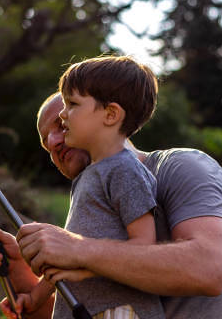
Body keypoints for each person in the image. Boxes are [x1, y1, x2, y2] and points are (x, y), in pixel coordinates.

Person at [0, 80, 222, 319]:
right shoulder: (93, 213)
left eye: (62, 124)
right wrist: (19, 268)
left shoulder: (182, 167)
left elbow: (208, 270)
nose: (52, 143)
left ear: (108, 116)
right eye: (44, 142)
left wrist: (77, 249)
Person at [13, 56, 164, 319]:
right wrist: (34, 297)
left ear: (110, 114)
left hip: (120, 311)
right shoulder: (89, 176)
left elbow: (145, 248)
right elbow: (68, 259)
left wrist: (87, 263)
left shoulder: (125, 170)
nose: (63, 113)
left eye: (72, 104)